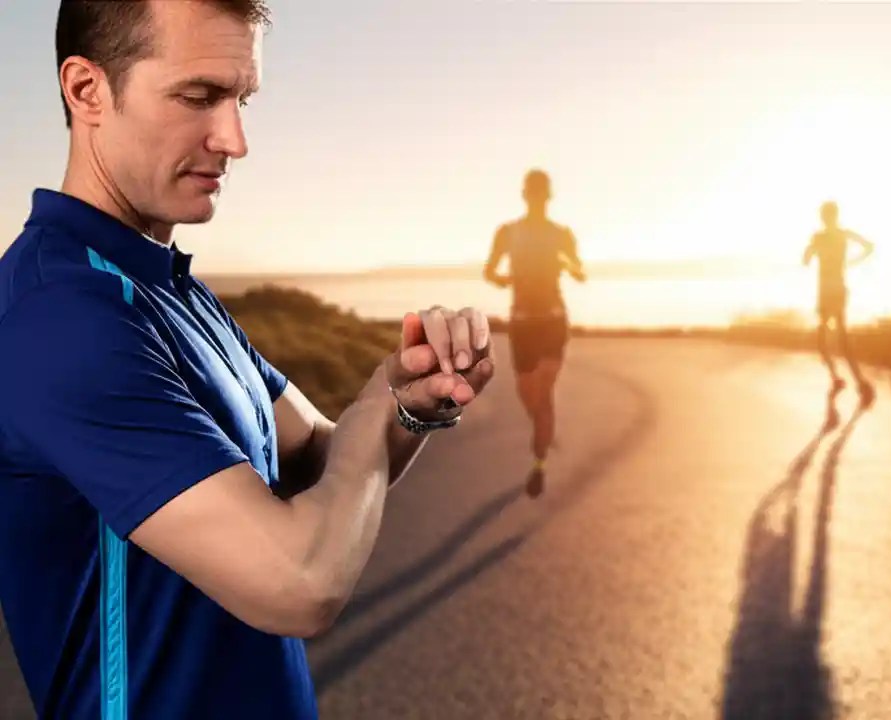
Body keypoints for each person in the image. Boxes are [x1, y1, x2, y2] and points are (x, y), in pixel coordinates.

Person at [0, 2, 494, 718]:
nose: (234, 139)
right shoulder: (64, 316)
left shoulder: (165, 286)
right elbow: (300, 581)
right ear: (87, 91)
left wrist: (408, 398)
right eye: (198, 96)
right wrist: (368, 417)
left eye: (242, 99)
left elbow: (320, 462)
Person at [483, 169, 586, 498]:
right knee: (530, 394)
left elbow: (580, 271)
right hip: (522, 322)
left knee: (545, 392)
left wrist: (569, 267)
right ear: (525, 195)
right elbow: (489, 271)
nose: (538, 198)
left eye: (542, 193)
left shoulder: (562, 234)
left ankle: (539, 462)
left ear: (549, 196)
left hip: (553, 320)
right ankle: (542, 430)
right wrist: (503, 281)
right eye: (533, 192)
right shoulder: (507, 232)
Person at [803, 200, 876, 406]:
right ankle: (856, 382)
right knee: (839, 335)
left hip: (827, 290)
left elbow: (806, 259)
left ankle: (840, 378)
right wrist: (852, 261)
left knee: (824, 333)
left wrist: (810, 254)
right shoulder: (843, 235)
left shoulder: (819, 237)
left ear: (824, 217)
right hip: (837, 288)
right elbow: (869, 247)